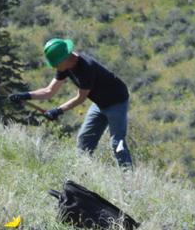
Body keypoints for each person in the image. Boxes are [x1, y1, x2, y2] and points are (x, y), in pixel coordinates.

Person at [9, 38, 132, 169]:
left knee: (116, 143)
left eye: (56, 63)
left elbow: (80, 98)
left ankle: (128, 178)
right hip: (99, 103)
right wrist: (24, 96)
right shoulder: (65, 66)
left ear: (66, 58)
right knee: (84, 139)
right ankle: (83, 171)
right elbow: (49, 91)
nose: (54, 67)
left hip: (116, 102)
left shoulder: (86, 67)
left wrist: (58, 110)